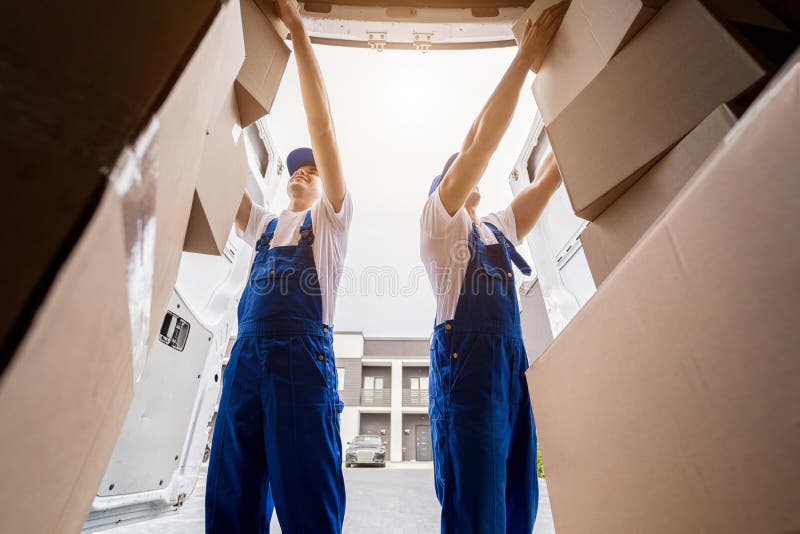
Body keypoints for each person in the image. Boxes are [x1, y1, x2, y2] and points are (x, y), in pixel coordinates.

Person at [419, 3, 568, 532]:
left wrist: (573, 93)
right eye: (456, 172)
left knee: (516, 502)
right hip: (468, 370)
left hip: (509, 368)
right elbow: (479, 142)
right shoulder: (440, 225)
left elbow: (550, 178)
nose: (468, 173)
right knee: (478, 513)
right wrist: (527, 57)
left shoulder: (497, 226)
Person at [205, 0, 352, 531]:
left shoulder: (330, 224)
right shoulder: (263, 225)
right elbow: (213, 160)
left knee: (308, 502)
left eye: (311, 171)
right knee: (231, 498)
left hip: (302, 364)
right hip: (245, 362)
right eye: (295, 169)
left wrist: (297, 31)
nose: (303, 173)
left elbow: (324, 128)